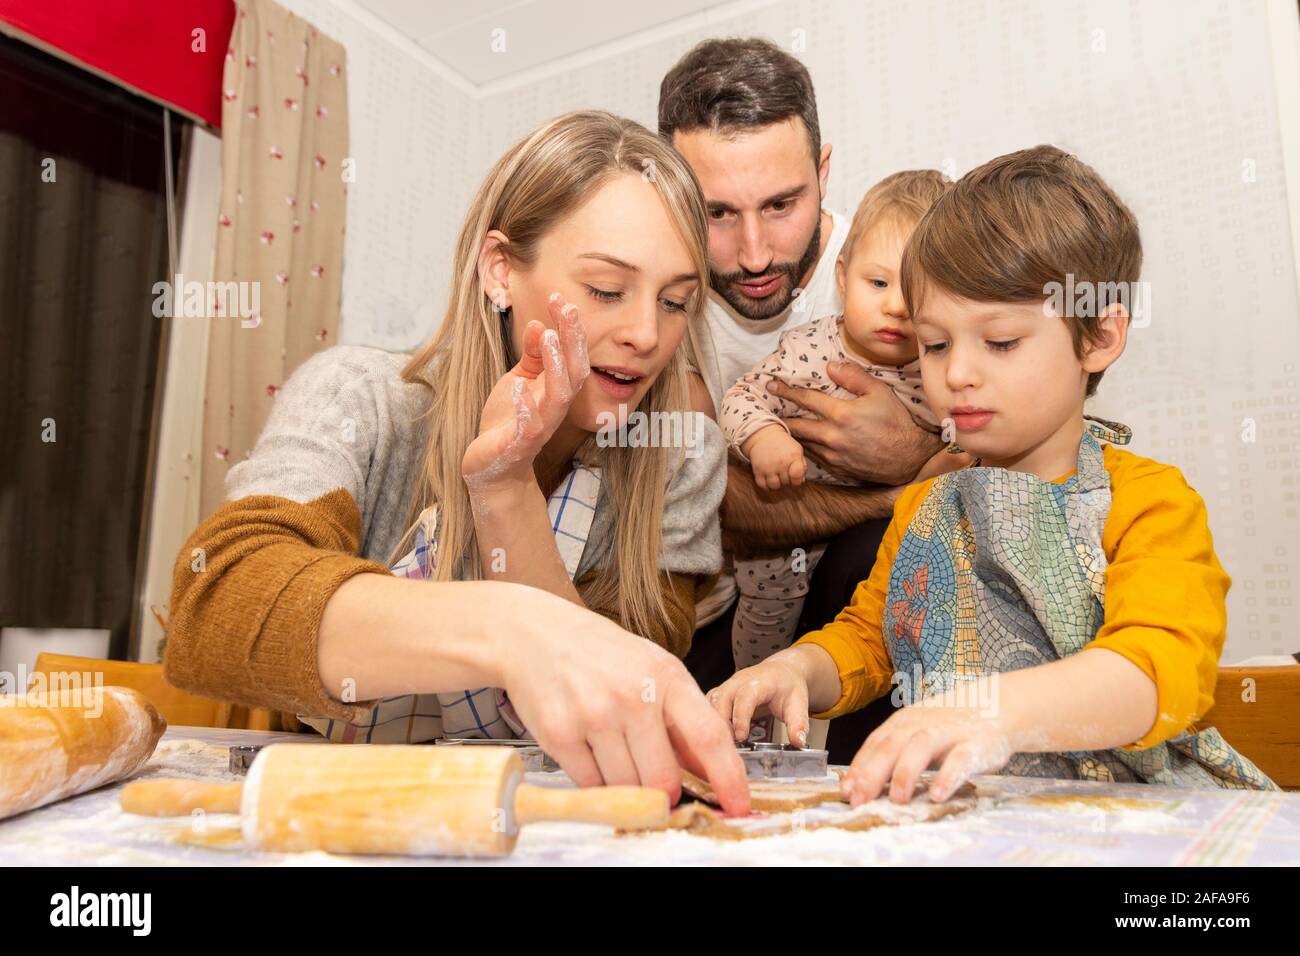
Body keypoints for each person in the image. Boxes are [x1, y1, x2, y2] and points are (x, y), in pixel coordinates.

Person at [163, 111, 750, 814]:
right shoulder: (363, 401)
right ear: (500, 271)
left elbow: (621, 702)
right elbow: (218, 602)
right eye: (605, 290)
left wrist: (505, 493)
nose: (646, 335)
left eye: (677, 301)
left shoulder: (679, 458)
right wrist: (513, 631)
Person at [709, 145, 1276, 802]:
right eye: (936, 343)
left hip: (1137, 816)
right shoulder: (925, 506)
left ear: (1098, 337)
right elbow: (871, 640)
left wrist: (986, 714)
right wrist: (796, 669)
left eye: (1000, 342)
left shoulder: (1149, 502)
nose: (956, 374)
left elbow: (1155, 674)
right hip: (983, 820)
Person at [656, 38, 946, 706]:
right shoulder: (655, 301)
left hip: (866, 597)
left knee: (884, 550)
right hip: (731, 603)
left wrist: (920, 450)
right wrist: (898, 483)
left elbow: (1012, 439)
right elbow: (704, 506)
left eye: (782, 205)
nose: (754, 255)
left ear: (822, 170)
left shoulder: (902, 262)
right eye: (717, 213)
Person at [720, 171, 950, 676]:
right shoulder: (809, 348)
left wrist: (937, 452)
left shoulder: (940, 368)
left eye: (918, 291)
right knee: (768, 627)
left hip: (871, 554)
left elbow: (967, 443)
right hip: (786, 532)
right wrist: (765, 438)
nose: (896, 306)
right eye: (879, 283)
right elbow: (742, 397)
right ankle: (756, 705)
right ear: (842, 278)